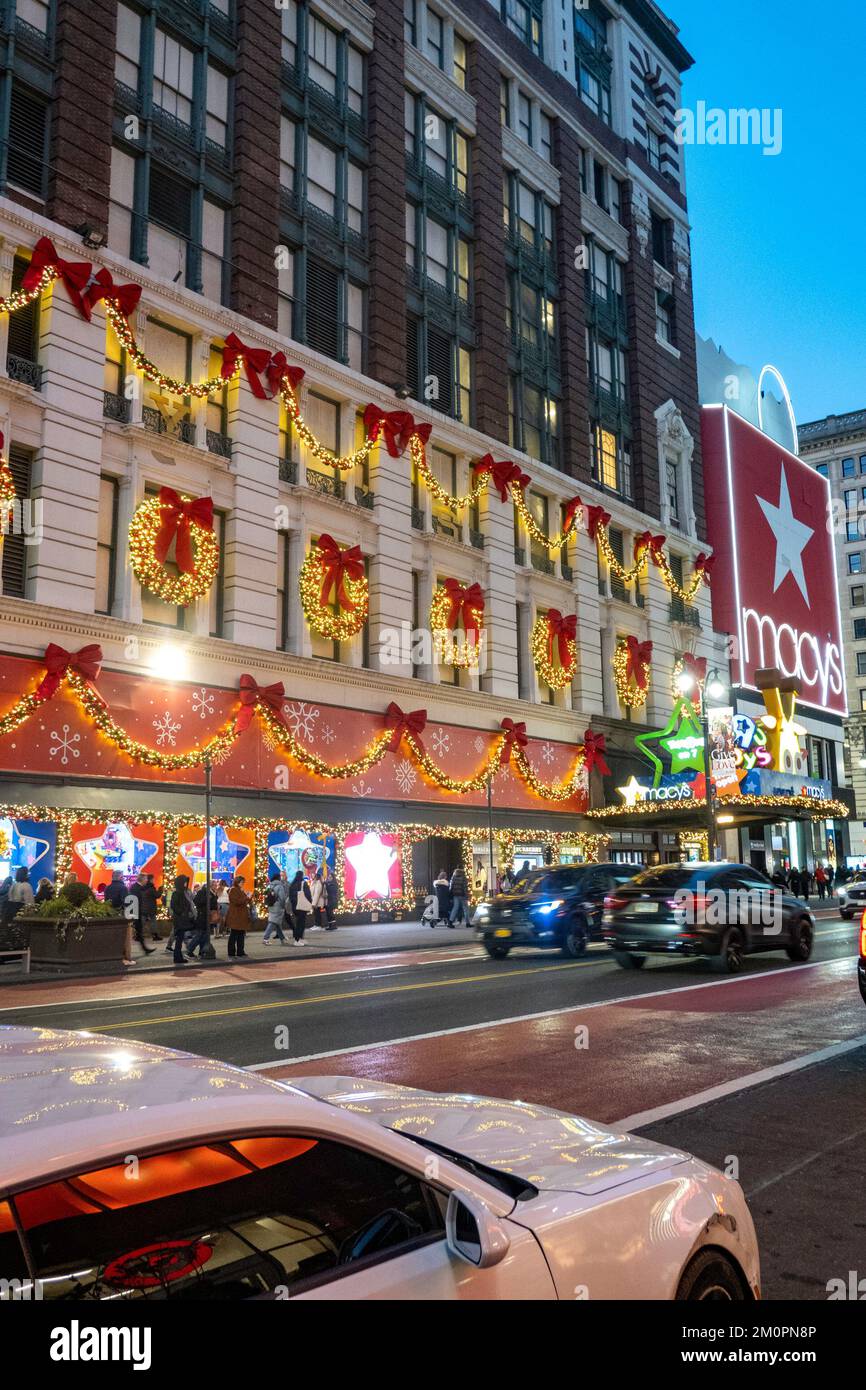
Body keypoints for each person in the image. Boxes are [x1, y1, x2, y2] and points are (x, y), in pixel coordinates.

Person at [169, 874, 197, 965]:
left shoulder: (182, 892)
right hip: (180, 919)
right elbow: (174, 906)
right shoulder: (177, 893)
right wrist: (182, 912)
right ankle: (177, 957)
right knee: (179, 939)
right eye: (184, 882)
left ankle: (178, 956)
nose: (186, 884)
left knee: (180, 939)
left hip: (182, 919)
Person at [226, 876, 252, 958]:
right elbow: (236, 901)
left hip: (240, 915)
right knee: (234, 934)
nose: (243, 884)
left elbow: (244, 901)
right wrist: (246, 897)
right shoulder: (233, 890)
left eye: (243, 882)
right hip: (236, 915)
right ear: (237, 882)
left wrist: (249, 897)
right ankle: (232, 952)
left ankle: (240, 951)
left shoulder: (239, 890)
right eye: (242, 882)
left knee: (241, 934)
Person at [191, 882, 217, 959]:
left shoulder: (211, 893)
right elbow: (197, 901)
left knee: (205, 936)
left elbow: (212, 904)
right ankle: (189, 950)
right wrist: (209, 898)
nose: (215, 887)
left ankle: (202, 952)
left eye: (216, 885)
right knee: (200, 935)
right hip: (203, 917)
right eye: (214, 885)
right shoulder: (203, 892)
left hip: (207, 916)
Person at [263, 871, 290, 945]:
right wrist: (283, 906)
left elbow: (266, 894)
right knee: (272, 922)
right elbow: (282, 898)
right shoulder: (280, 886)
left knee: (277, 923)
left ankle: (282, 939)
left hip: (271, 905)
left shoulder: (270, 885)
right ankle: (265, 938)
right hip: (278, 906)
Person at [289, 870, 313, 945]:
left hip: (295, 907)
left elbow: (290, 896)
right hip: (302, 906)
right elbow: (308, 895)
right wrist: (310, 902)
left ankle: (299, 939)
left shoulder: (292, 884)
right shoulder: (303, 883)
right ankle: (297, 939)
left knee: (298, 922)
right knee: (301, 923)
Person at [448, 863, 468, 928]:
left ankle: (450, 922)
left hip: (455, 895)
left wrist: (451, 893)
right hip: (462, 895)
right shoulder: (463, 876)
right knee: (465, 908)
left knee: (455, 908)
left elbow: (451, 886)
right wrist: (466, 895)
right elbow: (465, 887)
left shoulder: (453, 876)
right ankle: (467, 923)